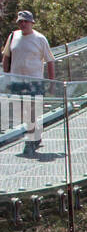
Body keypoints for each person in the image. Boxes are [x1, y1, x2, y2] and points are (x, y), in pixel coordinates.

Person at [1, 9, 55, 157]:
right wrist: (6, 76)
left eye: (26, 21)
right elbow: (6, 56)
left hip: (34, 82)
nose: (23, 24)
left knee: (31, 111)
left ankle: (30, 143)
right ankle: (36, 134)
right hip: (16, 82)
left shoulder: (40, 38)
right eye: (20, 21)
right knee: (21, 112)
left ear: (32, 23)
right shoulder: (13, 36)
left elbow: (50, 61)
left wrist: (51, 83)